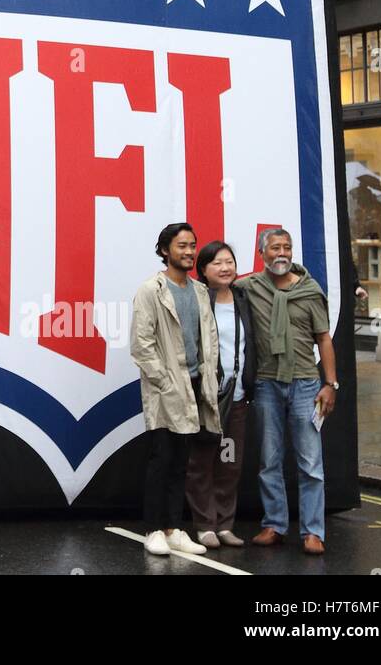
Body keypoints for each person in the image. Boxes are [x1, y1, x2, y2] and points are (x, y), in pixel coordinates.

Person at [240, 228, 337, 555]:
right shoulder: (250, 287)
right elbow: (217, 289)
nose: (281, 253)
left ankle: (313, 532)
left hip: (306, 384)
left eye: (287, 247)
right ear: (262, 253)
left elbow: (324, 338)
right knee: (269, 460)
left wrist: (330, 384)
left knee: (310, 463)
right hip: (266, 383)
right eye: (275, 248)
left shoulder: (310, 291)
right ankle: (274, 525)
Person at [129, 222, 221, 558]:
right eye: (182, 245)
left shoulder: (199, 291)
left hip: (195, 384)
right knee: (162, 459)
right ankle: (153, 530)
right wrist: (165, 382)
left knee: (183, 461)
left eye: (192, 245)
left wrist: (208, 378)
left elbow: (208, 339)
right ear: (165, 250)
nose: (189, 251)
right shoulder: (150, 290)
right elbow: (141, 345)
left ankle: (173, 528)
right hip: (165, 388)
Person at [186, 241, 257, 549]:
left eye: (229, 262)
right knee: (202, 462)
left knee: (230, 462)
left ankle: (225, 524)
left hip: (237, 397)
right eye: (217, 263)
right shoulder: (198, 299)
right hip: (206, 398)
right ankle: (205, 525)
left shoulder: (243, 298)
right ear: (203, 269)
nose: (225, 268)